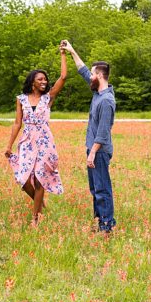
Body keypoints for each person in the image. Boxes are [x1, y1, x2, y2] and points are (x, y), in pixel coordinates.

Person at [5, 46, 68, 226]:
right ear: (32, 82)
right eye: (40, 79)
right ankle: (39, 202)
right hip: (27, 141)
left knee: (40, 177)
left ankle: (35, 219)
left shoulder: (48, 97)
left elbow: (63, 77)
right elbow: (17, 123)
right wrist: (9, 145)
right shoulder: (21, 99)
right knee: (23, 179)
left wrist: (63, 54)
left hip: (44, 140)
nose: (44, 81)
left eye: (45, 79)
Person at [60, 39, 117, 233]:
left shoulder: (106, 101)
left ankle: (107, 226)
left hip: (98, 151)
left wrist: (92, 153)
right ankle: (99, 221)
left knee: (102, 190)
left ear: (99, 76)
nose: (89, 76)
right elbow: (82, 70)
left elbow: (103, 132)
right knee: (95, 189)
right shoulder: (98, 93)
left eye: (92, 74)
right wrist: (71, 50)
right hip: (93, 149)